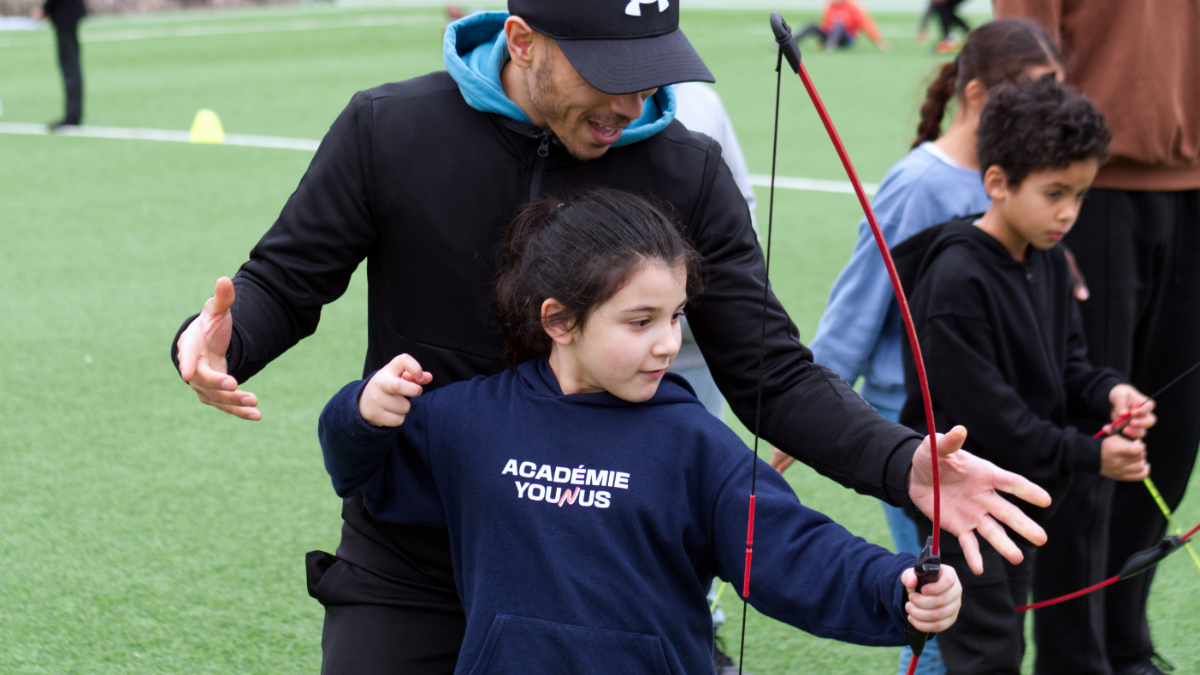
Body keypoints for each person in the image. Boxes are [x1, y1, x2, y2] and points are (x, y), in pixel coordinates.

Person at [172, 1, 1053, 671]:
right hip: (415, 548)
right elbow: (285, 282)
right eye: (607, 71)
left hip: (598, 557)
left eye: (651, 66)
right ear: (522, 42)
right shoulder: (390, 128)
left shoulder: (686, 168)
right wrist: (218, 341)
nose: (632, 100)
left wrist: (903, 462)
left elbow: (768, 369)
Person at [318, 188, 964, 673]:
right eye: (640, 321)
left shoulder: (694, 444)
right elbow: (364, 473)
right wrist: (361, 412)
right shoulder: (470, 418)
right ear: (560, 320)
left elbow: (792, 551)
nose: (667, 343)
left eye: (676, 315)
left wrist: (896, 589)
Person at [772, 18, 1063, 674]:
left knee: (977, 608)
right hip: (920, 432)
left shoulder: (1011, 181)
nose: (1051, 115)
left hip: (989, 428)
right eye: (1037, 97)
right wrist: (812, 401)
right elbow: (861, 296)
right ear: (983, 97)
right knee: (939, 614)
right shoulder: (920, 184)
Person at [892, 78, 1156, 675]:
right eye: (1055, 192)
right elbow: (997, 421)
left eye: (1082, 195)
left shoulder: (1045, 257)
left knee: (1005, 645)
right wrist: (1092, 458)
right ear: (998, 183)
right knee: (988, 656)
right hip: (962, 505)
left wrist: (1110, 390)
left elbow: (1068, 367)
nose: (1068, 212)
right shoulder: (957, 281)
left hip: (1016, 499)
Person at [991, 4, 1200, 674]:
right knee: (1088, 443)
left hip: (1192, 187)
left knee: (1167, 437)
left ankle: (1123, 643)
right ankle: (1074, 660)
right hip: (1086, 188)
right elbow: (1020, 47)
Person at [671, 79, 758, 675]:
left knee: (688, 498)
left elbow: (739, 213)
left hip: (694, 359)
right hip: (567, 360)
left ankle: (700, 634)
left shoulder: (698, 102)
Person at [30, 0, 85, 128]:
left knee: (70, 66)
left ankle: (72, 115)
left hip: (65, 14)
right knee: (71, 65)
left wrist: (45, 8)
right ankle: (73, 114)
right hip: (68, 13)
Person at [794, 0, 889, 53]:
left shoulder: (852, 7)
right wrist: (821, 40)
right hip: (831, 34)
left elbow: (866, 24)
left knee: (839, 23)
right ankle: (791, 43)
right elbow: (826, 25)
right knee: (811, 24)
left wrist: (878, 41)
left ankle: (830, 46)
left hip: (846, 39)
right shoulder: (830, 6)